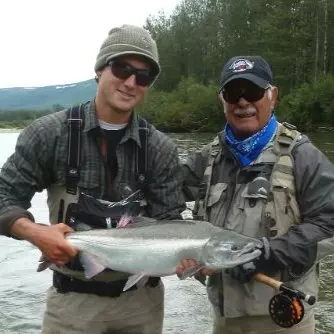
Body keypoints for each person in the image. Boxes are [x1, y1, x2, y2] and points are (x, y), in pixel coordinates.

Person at [0, 24, 185, 334]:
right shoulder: (49, 134)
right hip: (72, 302)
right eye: (122, 68)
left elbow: (170, 220)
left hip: (143, 304)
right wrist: (33, 232)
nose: (130, 82)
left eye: (143, 76)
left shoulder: (160, 148)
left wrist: (187, 257)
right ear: (100, 69)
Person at [179, 56, 334, 333]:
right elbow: (165, 193)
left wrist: (266, 254)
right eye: (232, 93)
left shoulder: (303, 156)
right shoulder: (209, 158)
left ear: (272, 96)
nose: (242, 102)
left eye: (252, 92)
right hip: (224, 318)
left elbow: (329, 227)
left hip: (283, 319)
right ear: (222, 100)